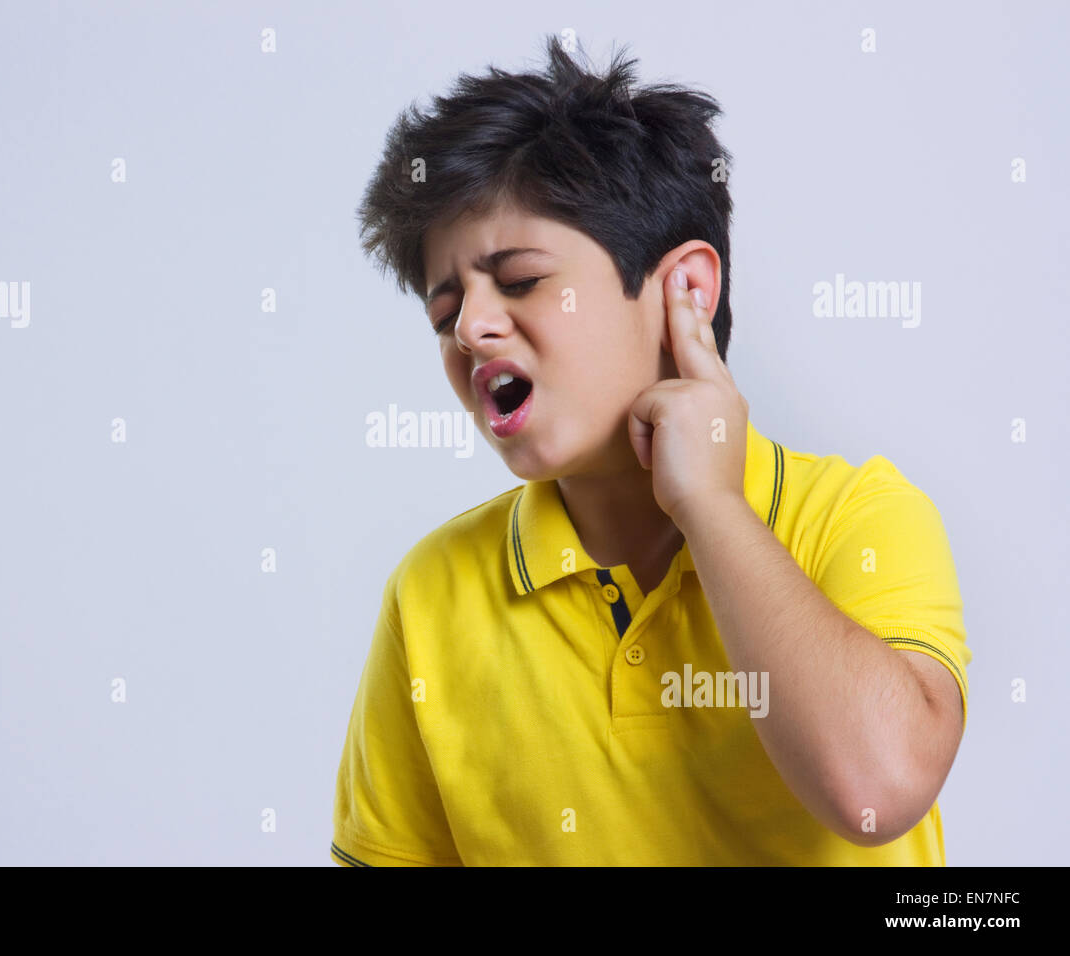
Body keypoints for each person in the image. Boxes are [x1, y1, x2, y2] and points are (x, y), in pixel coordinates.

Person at [332, 35, 969, 866]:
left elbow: (875, 793)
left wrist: (710, 504)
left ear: (686, 292)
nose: (470, 329)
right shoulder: (430, 593)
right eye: (445, 309)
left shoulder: (860, 518)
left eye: (519, 280)